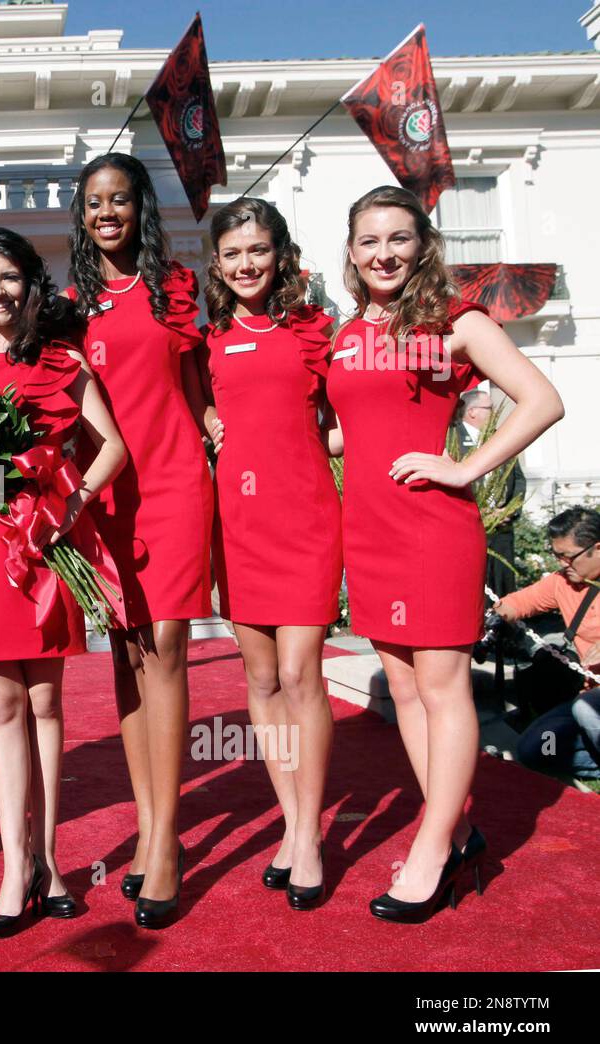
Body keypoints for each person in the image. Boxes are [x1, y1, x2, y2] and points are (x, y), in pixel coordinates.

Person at [326, 185, 564, 923]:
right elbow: (352, 428)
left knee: (442, 688)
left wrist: (463, 467)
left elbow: (542, 398)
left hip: (431, 526)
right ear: (352, 250)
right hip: (365, 527)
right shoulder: (347, 332)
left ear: (423, 244)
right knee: (403, 695)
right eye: (369, 241)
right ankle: (457, 831)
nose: (383, 254)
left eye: (398, 239)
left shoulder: (451, 323)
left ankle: (431, 851)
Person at [0, 227, 126, 937]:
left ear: (31, 284)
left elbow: (113, 446)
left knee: (47, 704)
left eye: (11, 277)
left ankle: (49, 861)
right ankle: (14, 865)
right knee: (0, 709)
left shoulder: (63, 360)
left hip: (48, 547)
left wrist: (67, 505)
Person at [63, 152, 213, 928]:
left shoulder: (177, 289)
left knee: (168, 646)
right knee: (126, 654)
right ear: (82, 215)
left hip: (176, 483)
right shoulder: (66, 305)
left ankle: (168, 839)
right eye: (94, 202)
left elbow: (199, 396)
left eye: (120, 199)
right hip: (102, 497)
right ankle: (150, 823)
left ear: (139, 209)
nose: (108, 212)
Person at [197, 198, 341, 910]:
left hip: (306, 517)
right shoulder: (209, 337)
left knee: (298, 672)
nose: (247, 263)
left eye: (258, 249)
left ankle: (310, 834)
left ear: (279, 253)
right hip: (238, 523)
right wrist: (208, 418)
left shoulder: (314, 330)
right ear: (217, 265)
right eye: (233, 254)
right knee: (259, 680)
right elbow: (188, 404)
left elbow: (346, 419)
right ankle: (291, 821)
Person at [498, 507, 600, 780]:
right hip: (590, 700)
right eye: (556, 556)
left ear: (598, 548)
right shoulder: (562, 583)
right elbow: (521, 602)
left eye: (568, 557)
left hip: (590, 709)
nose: (562, 564)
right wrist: (494, 613)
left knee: (586, 711)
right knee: (538, 748)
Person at [455, 389, 527, 597]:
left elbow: (518, 479)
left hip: (502, 528)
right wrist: (481, 511)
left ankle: (506, 627)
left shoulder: (500, 439)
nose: (494, 413)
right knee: (476, 587)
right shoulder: (452, 438)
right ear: (472, 412)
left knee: (503, 585)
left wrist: (508, 511)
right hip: (471, 525)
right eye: (490, 408)